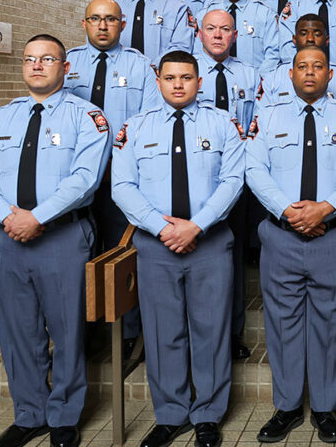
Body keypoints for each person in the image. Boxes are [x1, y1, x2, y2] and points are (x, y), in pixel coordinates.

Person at [0, 34, 110, 447]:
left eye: (48, 59)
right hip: (12, 239)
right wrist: (10, 216)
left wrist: (38, 217)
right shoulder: (1, 118)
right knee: (19, 331)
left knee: (66, 331)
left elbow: (85, 179)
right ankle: (29, 415)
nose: (38, 65)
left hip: (63, 236)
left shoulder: (88, 117)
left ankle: (64, 417)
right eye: (30, 59)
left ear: (65, 68)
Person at [111, 50, 245, 447]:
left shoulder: (223, 124)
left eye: (186, 77)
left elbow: (233, 179)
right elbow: (122, 186)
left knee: (211, 330)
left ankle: (208, 415)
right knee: (162, 331)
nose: (178, 84)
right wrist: (161, 228)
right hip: (156, 246)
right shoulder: (135, 127)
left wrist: (197, 226)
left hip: (210, 243)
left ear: (199, 81)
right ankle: (170, 414)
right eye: (170, 78)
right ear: (158, 82)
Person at [246, 45, 336, 444]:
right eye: (303, 66)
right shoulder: (267, 117)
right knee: (282, 325)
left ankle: (324, 408)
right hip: (281, 237)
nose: (310, 73)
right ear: (291, 73)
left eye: (319, 66)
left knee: (331, 326)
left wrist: (325, 210)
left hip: (331, 238)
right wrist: (290, 212)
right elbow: (254, 169)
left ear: (331, 75)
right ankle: (286, 407)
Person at [64, 0, 161, 353]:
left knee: (124, 253)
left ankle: (129, 333)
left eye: (110, 19)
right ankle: (84, 332)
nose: (102, 25)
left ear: (122, 24)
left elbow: (147, 121)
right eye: (95, 19)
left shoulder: (139, 66)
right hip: (75, 178)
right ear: (84, 22)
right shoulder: (67, 64)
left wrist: (121, 167)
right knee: (79, 253)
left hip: (120, 176)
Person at [192, 9, 259, 360]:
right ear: (199, 33)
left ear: (235, 35)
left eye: (225, 30)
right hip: (195, 176)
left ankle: (232, 333)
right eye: (211, 29)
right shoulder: (185, 72)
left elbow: (254, 125)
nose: (218, 35)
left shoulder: (249, 73)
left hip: (235, 179)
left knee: (230, 259)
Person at [258, 14, 336, 112]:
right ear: (294, 39)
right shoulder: (272, 79)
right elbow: (262, 120)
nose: (310, 39)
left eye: (317, 34)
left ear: (327, 40)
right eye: (303, 34)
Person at [218, 0, 282, 74]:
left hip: (255, 85)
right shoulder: (206, 14)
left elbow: (273, 55)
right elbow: (199, 55)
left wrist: (255, 81)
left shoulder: (266, 14)